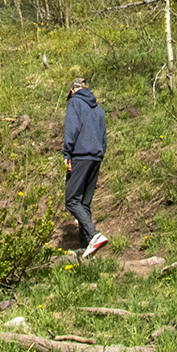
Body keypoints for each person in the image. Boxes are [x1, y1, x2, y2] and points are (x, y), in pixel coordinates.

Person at [63, 77, 109, 257]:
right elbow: (103, 137)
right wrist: (99, 154)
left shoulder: (75, 103)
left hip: (80, 156)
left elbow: (72, 128)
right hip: (96, 158)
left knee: (71, 200)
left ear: (73, 91)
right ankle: (85, 246)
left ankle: (94, 235)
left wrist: (67, 153)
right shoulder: (98, 109)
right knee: (84, 204)